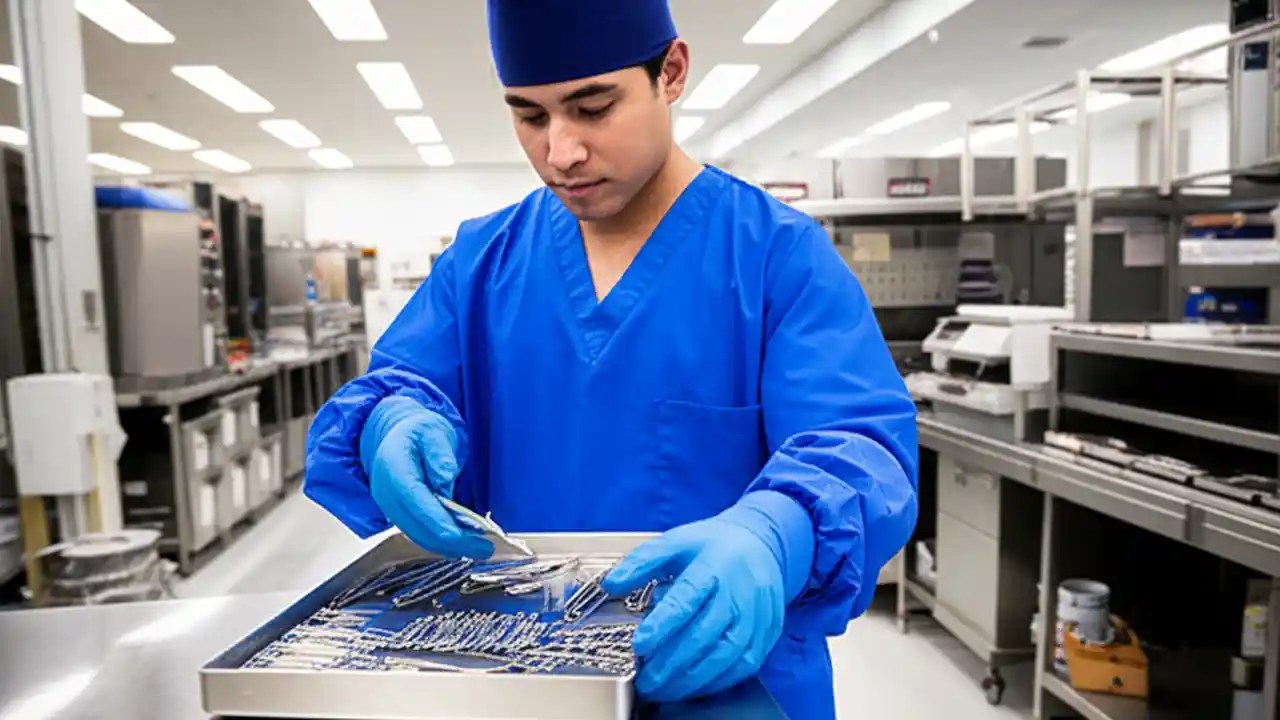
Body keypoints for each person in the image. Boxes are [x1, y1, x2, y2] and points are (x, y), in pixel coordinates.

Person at [305, 1, 918, 717]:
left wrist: (775, 532)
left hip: (733, 681)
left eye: (592, 107)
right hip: (535, 679)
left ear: (673, 73)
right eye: (530, 117)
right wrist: (393, 422)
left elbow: (859, 446)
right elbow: (405, 382)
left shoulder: (776, 256)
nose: (560, 151)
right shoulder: (482, 262)